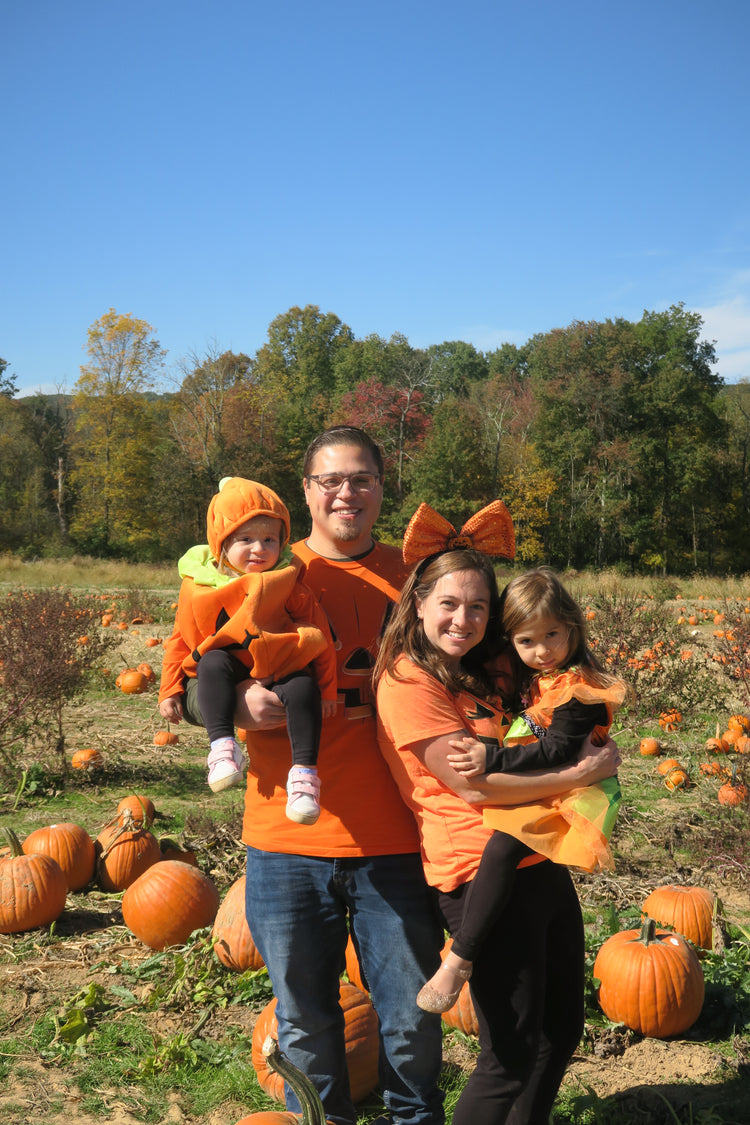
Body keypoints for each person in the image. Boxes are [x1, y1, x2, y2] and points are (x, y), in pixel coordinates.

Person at [375, 503, 621, 1125]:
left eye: (478, 606)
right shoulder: (407, 680)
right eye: (450, 604)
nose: (464, 618)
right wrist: (584, 773)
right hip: (474, 867)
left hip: (539, 855)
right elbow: (477, 792)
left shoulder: (484, 671)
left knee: (559, 1031)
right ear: (419, 604)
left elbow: (552, 690)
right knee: (509, 1053)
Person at [235, 427, 446, 1125]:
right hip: (284, 840)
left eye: (361, 478)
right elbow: (203, 666)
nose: (346, 492)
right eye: (331, 480)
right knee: (303, 1020)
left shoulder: (419, 576)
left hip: (398, 836)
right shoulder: (265, 572)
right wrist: (241, 703)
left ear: (382, 487)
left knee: (411, 1021)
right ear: (307, 491)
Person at [417, 565, 627, 1013]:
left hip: (573, 787)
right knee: (502, 852)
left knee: (502, 850)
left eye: (552, 635)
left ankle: (460, 957)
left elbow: (555, 753)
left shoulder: (578, 688)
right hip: (549, 784)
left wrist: (491, 758)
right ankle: (462, 954)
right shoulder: (538, 673)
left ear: (572, 625)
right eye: (526, 641)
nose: (542, 650)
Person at [157, 476, 337, 823]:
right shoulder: (199, 587)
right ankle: (223, 748)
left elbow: (321, 636)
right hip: (230, 665)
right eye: (246, 539)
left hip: (282, 662)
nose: (259, 548)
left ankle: (304, 775)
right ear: (221, 543)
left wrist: (327, 690)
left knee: (304, 689)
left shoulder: (288, 580)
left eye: (270, 539)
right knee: (211, 663)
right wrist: (169, 689)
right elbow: (180, 638)